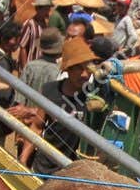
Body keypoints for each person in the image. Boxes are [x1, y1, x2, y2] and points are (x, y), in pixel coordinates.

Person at [29, 36, 102, 172]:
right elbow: (37, 127)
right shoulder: (50, 90)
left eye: (88, 68)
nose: (85, 74)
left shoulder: (94, 98)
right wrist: (22, 161)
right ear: (68, 69)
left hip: (72, 174)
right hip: (44, 168)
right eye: (79, 69)